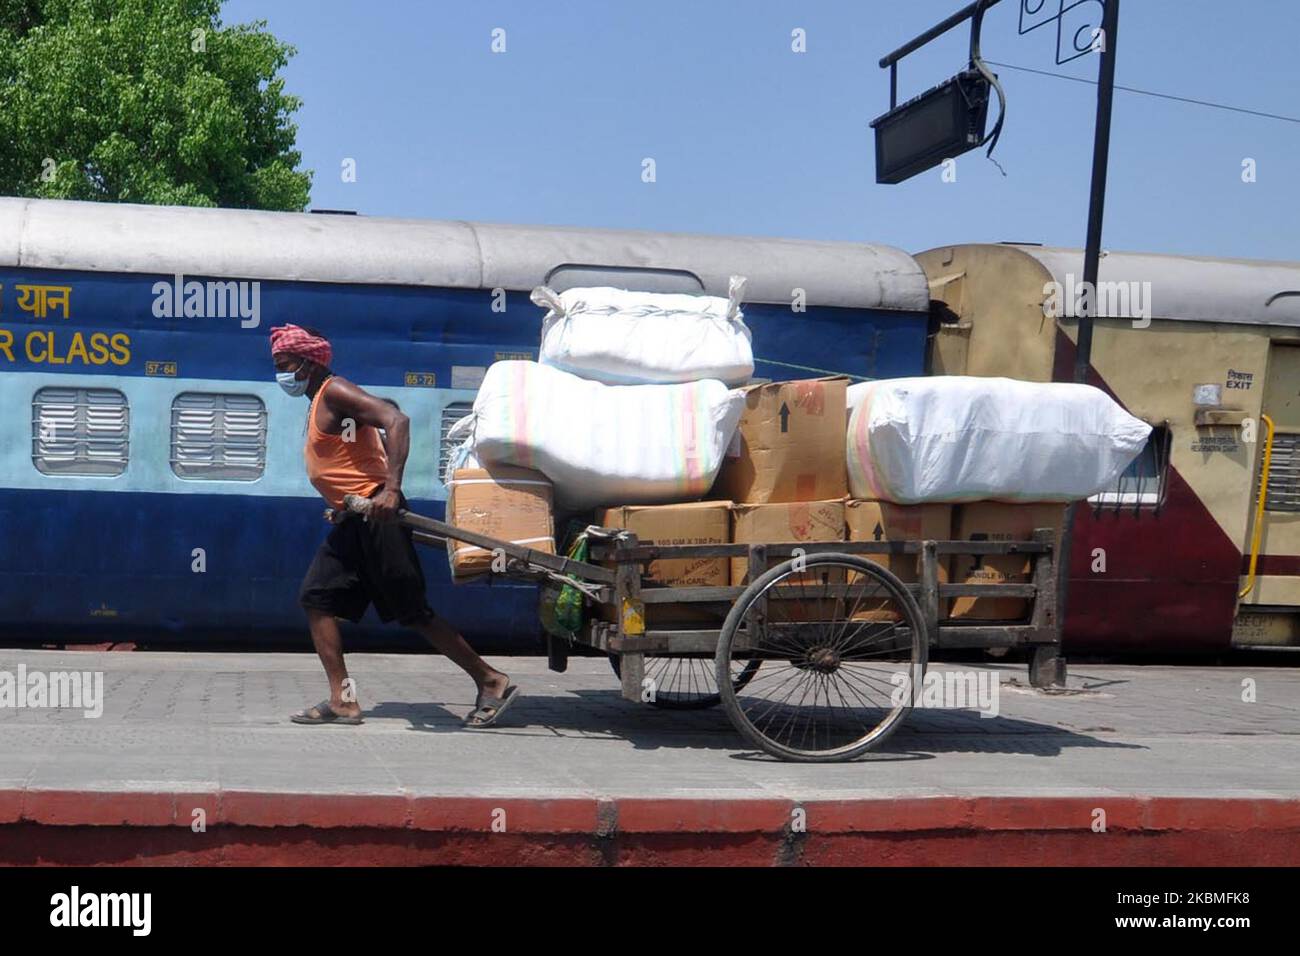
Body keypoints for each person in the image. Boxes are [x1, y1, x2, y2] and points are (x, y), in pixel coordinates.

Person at [269, 323, 519, 728]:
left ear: (309, 363)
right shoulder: (320, 401)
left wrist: (390, 489)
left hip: (378, 515)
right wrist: (344, 504)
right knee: (317, 599)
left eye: (285, 365)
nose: (281, 375)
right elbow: (358, 454)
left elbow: (395, 420)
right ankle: (343, 700)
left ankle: (491, 680)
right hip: (355, 516)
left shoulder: (335, 391)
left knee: (412, 611)